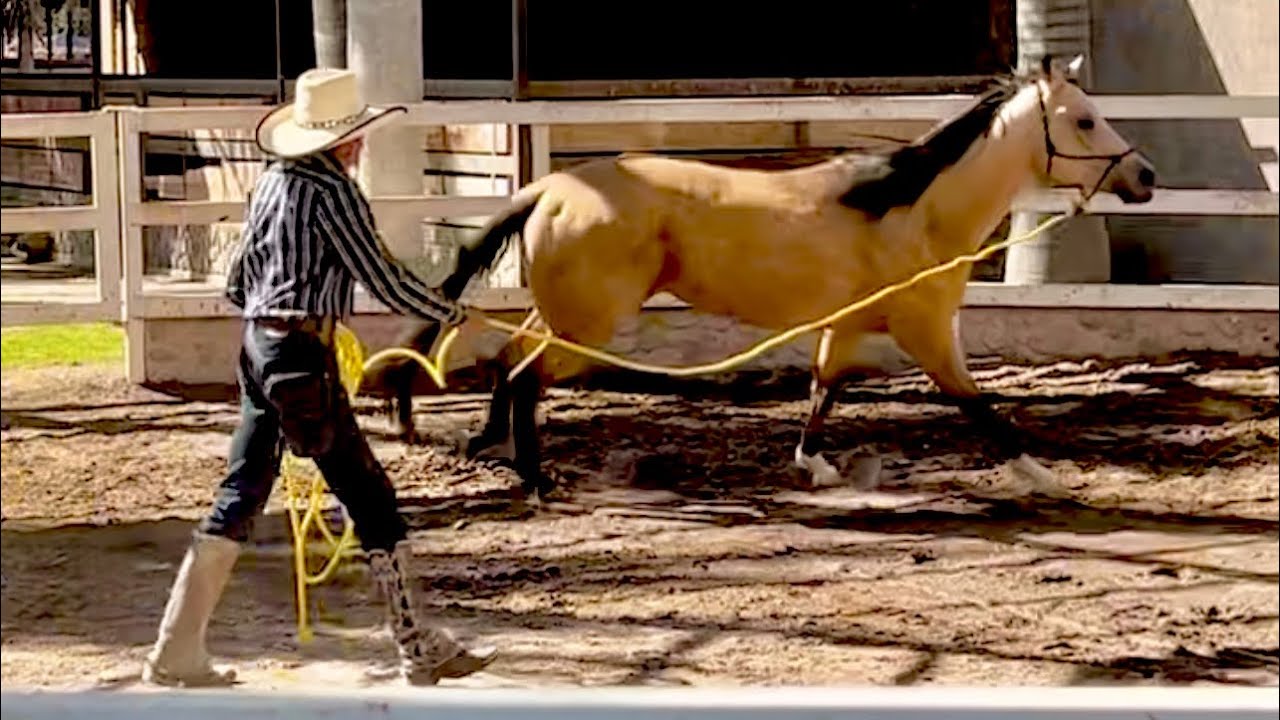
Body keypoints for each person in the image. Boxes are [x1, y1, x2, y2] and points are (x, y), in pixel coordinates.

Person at [142, 67, 497, 688]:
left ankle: (176, 650)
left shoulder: (274, 182)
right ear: (340, 141)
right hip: (301, 357)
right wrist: (451, 313)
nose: (359, 147)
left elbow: (240, 273)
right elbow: (379, 274)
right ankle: (418, 647)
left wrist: (274, 320)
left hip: (260, 347)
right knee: (370, 496)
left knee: (243, 490)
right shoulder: (333, 194)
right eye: (354, 137)